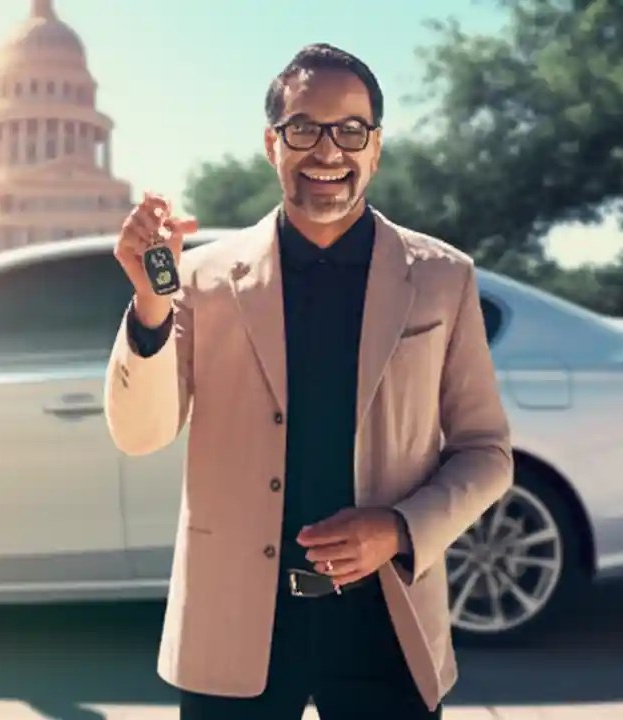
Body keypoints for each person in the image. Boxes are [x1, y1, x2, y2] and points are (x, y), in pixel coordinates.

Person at [104, 42, 513, 719]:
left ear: (375, 148)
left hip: (388, 620)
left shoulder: (443, 278)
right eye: (304, 129)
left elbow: (487, 453)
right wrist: (152, 305)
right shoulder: (204, 281)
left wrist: (401, 528)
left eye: (351, 130)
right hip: (234, 624)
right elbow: (140, 434)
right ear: (273, 144)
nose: (328, 151)